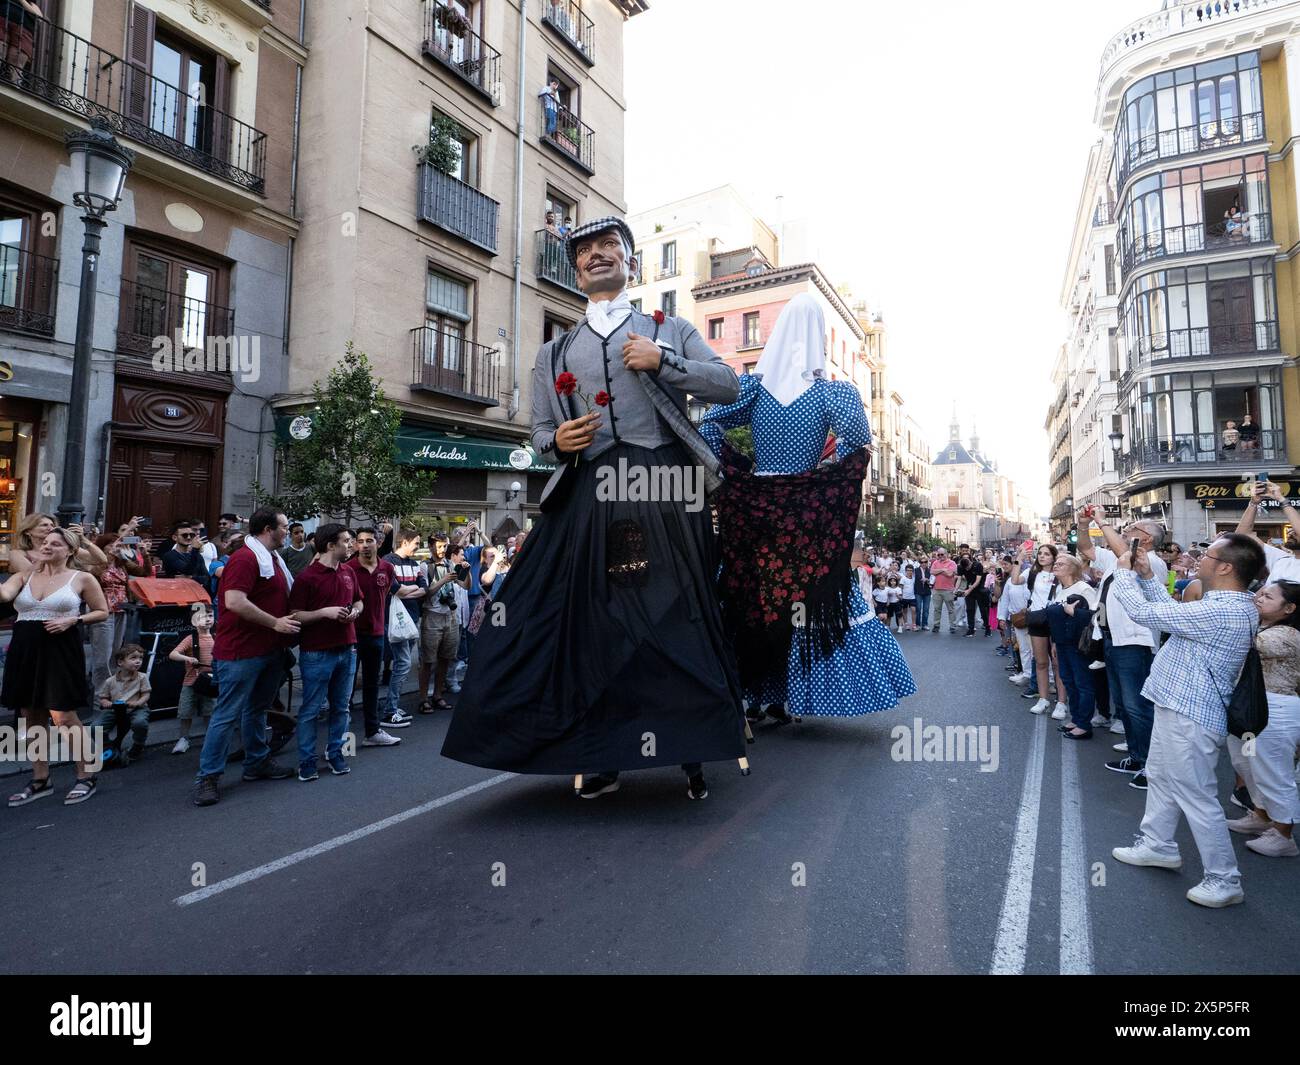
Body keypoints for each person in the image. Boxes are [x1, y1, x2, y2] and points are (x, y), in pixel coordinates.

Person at [442, 215, 748, 800]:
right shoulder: (553, 352)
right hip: (588, 494)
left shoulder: (669, 328)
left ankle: (691, 752)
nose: (597, 256)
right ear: (575, 268)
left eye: (611, 246)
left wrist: (664, 362)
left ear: (631, 262)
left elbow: (729, 384)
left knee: (671, 613)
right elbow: (535, 432)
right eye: (585, 251)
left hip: (660, 489)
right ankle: (602, 753)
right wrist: (556, 442)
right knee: (591, 622)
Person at [700, 293, 915, 724]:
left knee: (751, 598)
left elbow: (709, 422)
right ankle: (793, 695)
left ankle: (753, 692)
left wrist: (736, 470)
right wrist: (824, 480)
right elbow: (857, 443)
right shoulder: (833, 394)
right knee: (809, 598)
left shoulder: (754, 389)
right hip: (804, 515)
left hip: (759, 509)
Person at [1109, 533, 1264, 908]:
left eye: (1208, 555)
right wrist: (1147, 577)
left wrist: (1125, 575)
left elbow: (1148, 614)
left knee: (1197, 796)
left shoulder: (1224, 609)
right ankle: (1157, 845)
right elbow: (1173, 618)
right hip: (1175, 704)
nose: (1199, 561)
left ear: (1226, 567)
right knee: (1161, 779)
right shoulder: (1221, 604)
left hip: (1191, 714)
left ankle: (1224, 879)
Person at [191, 508, 300, 807]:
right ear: (268, 528)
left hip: (269, 650)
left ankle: (257, 763)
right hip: (240, 652)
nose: (288, 531)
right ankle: (208, 777)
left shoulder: (273, 559)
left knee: (256, 710)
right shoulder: (245, 559)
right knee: (226, 715)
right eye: (284, 526)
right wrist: (275, 623)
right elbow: (234, 601)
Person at [3, 528, 110, 807]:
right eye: (45, 542)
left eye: (55, 543)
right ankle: (41, 779)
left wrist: (73, 621)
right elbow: (4, 595)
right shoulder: (23, 576)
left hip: (60, 649)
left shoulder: (82, 577)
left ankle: (86, 774)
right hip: (25, 649)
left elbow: (102, 611)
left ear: (70, 551)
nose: (47, 546)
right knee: (29, 715)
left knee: (63, 715)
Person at [1078, 509, 1167, 789]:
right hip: (1111, 638)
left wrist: (1102, 521)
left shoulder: (1150, 561)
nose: (1126, 530)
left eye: (1133, 529)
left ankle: (1151, 766)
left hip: (1134, 642)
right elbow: (1086, 547)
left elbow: (1123, 552)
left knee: (1137, 706)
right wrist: (1083, 525)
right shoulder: (1119, 559)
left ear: (1148, 541)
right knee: (1125, 706)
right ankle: (1137, 756)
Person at [1220, 579, 1300, 857]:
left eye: (1268, 596)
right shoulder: (1265, 626)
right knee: (1246, 763)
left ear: (1289, 608)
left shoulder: (1287, 635)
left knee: (1274, 773)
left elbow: (1243, 642)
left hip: (1275, 711)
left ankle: (1284, 835)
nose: (1259, 599)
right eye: (1260, 593)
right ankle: (1261, 816)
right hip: (1252, 711)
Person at [288, 524, 363, 781]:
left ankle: (336, 753)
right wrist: (324, 612)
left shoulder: (348, 572)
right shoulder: (306, 578)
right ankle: (307, 760)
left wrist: (356, 611)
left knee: (341, 707)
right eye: (346, 541)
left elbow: (358, 600)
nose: (351, 545)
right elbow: (295, 615)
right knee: (311, 709)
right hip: (317, 653)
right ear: (331, 545)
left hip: (347, 649)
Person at [345, 527, 402, 748]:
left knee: (372, 684)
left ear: (378, 543)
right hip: (351, 634)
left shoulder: (387, 568)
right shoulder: (348, 568)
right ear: (356, 545)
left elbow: (386, 592)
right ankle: (341, 736)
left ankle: (372, 731)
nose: (365, 545)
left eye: (370, 540)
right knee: (346, 686)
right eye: (361, 541)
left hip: (376, 633)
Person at [1045, 554, 1099, 739]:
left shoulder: (1084, 588)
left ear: (1073, 568)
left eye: (1061, 564)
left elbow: (1096, 616)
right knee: (1069, 681)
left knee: (1082, 683)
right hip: (1062, 643)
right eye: (1056, 563)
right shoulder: (1059, 589)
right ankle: (1076, 719)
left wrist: (1074, 611)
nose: (1056, 566)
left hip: (1079, 644)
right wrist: (1053, 642)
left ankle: (1084, 724)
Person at [382, 526, 427, 730]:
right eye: (416, 543)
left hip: (411, 619)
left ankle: (392, 706)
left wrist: (404, 591)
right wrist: (408, 590)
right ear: (405, 542)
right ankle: (390, 710)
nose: (418, 547)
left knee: (402, 665)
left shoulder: (415, 563)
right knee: (403, 664)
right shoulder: (388, 562)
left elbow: (424, 588)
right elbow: (394, 590)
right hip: (395, 620)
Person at [419, 536, 469, 713]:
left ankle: (438, 695)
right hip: (432, 616)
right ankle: (424, 698)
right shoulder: (425, 566)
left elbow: (465, 586)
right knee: (428, 661)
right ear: (431, 546)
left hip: (451, 616)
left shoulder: (450, 564)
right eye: (439, 546)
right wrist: (443, 580)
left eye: (445, 546)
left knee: (445, 658)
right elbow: (425, 593)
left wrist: (467, 571)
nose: (442, 549)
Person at [168, 605, 216, 755]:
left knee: (210, 711)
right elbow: (173, 654)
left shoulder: (217, 637)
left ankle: (211, 738)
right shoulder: (191, 638)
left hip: (211, 682)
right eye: (203, 617)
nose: (208, 620)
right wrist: (187, 658)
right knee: (186, 711)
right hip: (191, 681)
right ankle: (184, 739)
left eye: (210, 616)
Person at [94, 643, 151, 766]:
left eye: (140, 658)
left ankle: (138, 745)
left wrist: (137, 703)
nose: (138, 661)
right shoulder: (110, 681)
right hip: (115, 709)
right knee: (95, 727)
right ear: (120, 662)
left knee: (140, 723)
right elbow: (103, 698)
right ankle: (109, 746)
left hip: (136, 708)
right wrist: (107, 703)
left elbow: (146, 695)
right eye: (133, 658)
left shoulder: (142, 678)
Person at [1236, 480, 1300, 584]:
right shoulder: (1281, 559)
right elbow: (1242, 537)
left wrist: (1281, 499)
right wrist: (1253, 503)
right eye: (1291, 529)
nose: (1290, 532)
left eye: (1295, 531)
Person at [10, 512, 107, 575]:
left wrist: (83, 539)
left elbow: (101, 560)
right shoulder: (17, 553)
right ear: (27, 531)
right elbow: (29, 575)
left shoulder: (63, 550)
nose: (50, 528)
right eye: (44, 525)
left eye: (52, 525)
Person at [2, 0, 42, 85]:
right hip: (2, 22)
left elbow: (38, 17)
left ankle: (14, 86)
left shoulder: (31, 3)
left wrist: (22, 1)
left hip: (24, 31)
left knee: (17, 60)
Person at [160, 519, 208, 585]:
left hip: (195, 592)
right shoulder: (169, 556)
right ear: (175, 538)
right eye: (184, 535)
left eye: (191, 535)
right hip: (175, 591)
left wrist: (191, 578)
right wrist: (195, 549)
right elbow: (188, 571)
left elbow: (206, 578)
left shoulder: (198, 555)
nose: (188, 537)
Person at [957, 544, 990, 637]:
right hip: (969, 590)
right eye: (965, 569)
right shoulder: (960, 567)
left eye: (967, 568)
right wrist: (955, 590)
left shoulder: (978, 565)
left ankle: (987, 628)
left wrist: (968, 590)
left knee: (983, 610)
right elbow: (959, 579)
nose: (966, 569)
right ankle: (971, 630)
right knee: (969, 610)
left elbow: (978, 580)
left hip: (980, 589)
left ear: (970, 563)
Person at [913, 556, 932, 632]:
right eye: (922, 562)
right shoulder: (915, 570)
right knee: (918, 608)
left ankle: (925, 624)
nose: (923, 564)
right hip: (918, 592)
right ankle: (917, 624)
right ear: (919, 563)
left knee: (926, 609)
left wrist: (928, 580)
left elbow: (933, 582)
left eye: (925, 562)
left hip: (927, 592)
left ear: (927, 563)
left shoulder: (930, 571)